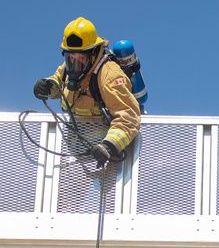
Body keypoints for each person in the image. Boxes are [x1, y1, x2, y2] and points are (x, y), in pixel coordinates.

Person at [33, 17, 141, 167]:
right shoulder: (67, 68)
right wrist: (48, 86)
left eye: (80, 58)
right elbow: (59, 81)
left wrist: (109, 146)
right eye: (70, 58)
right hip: (75, 149)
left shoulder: (109, 75)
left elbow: (128, 117)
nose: (74, 64)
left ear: (93, 53)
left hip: (106, 157)